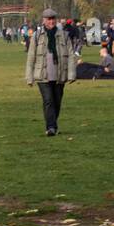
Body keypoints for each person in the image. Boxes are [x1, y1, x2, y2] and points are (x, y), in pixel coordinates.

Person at [24, 8, 76, 136]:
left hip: (59, 75)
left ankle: (52, 124)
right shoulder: (37, 36)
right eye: (48, 19)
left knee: (57, 102)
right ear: (44, 20)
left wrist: (71, 74)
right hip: (42, 75)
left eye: (53, 19)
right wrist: (29, 77)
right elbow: (31, 56)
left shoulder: (64, 35)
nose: (51, 21)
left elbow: (70, 55)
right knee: (48, 100)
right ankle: (51, 127)